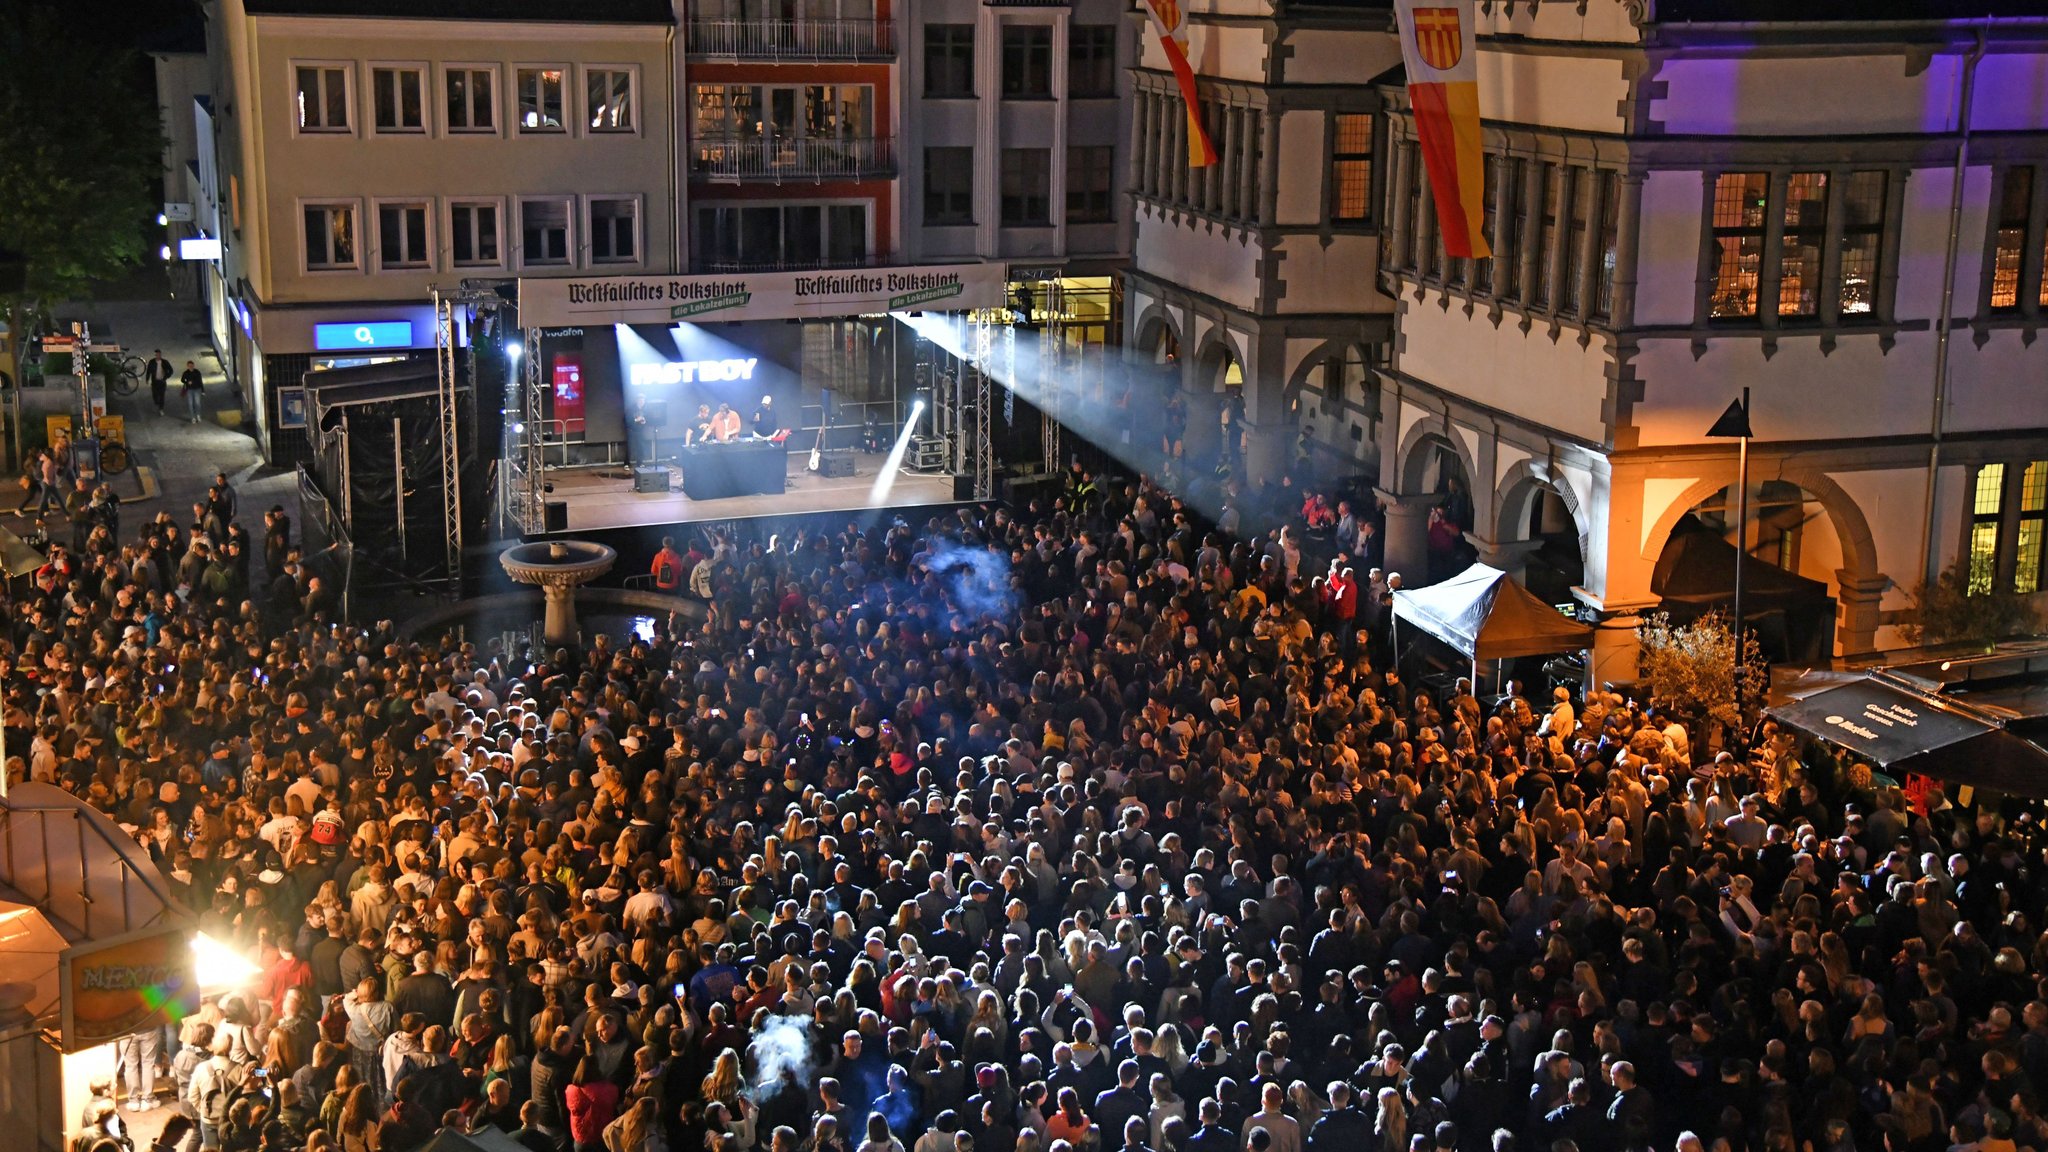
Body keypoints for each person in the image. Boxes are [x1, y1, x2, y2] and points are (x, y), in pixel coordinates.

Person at [146, 349, 174, 414]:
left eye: (159, 354)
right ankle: (157, 402)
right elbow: (148, 371)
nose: (158, 356)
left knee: (162, 396)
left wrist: (166, 376)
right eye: (157, 354)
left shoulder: (165, 362)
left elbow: (171, 370)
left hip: (162, 381)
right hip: (154, 382)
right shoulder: (152, 362)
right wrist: (147, 379)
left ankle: (161, 409)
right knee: (155, 395)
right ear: (155, 355)